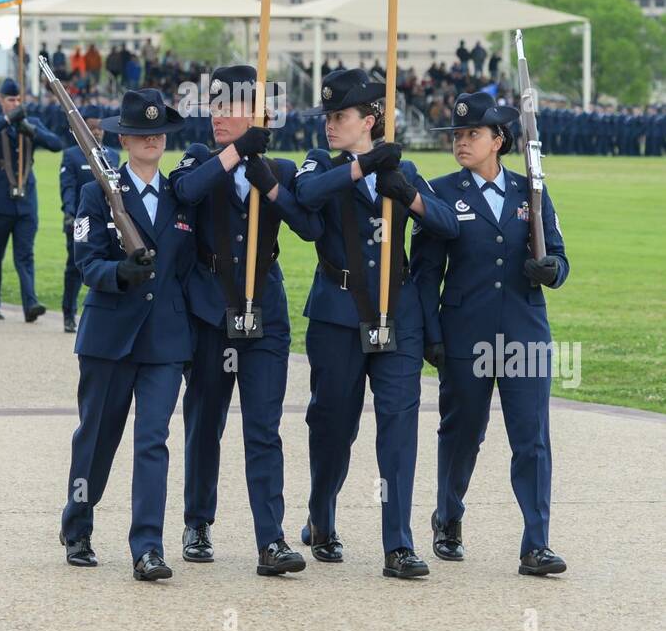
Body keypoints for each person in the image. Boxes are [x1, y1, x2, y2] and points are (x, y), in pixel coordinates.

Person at [294, 69, 459, 577]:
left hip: (398, 314)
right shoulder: (321, 162)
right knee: (332, 426)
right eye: (327, 116)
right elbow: (306, 196)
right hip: (338, 316)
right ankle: (321, 514)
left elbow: (447, 222)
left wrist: (405, 193)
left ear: (369, 119)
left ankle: (399, 543)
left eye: (340, 116)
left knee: (399, 428)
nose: (330, 125)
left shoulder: (401, 166)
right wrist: (363, 166)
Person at [170, 64, 321, 577]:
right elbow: (186, 192)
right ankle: (197, 523)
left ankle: (271, 540)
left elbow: (309, 227)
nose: (217, 115)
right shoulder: (200, 160)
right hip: (212, 311)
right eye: (213, 105)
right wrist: (235, 152)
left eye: (230, 106)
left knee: (263, 427)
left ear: (258, 112)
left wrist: (272, 188)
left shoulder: (277, 168)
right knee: (204, 421)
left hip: (265, 311)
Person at [411, 90, 570, 576]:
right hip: (465, 336)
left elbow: (561, 258)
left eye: (472, 134)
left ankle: (536, 543)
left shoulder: (532, 191)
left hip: (524, 333)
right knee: (463, 434)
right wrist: (432, 336)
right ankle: (448, 517)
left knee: (532, 438)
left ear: (498, 140)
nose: (461, 142)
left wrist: (551, 270)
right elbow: (424, 274)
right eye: (457, 135)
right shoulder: (438, 193)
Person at [60, 89, 194, 580]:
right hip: (110, 336)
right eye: (141, 131)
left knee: (152, 440)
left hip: (164, 339)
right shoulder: (99, 190)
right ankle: (78, 524)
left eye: (158, 130)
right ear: (125, 137)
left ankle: (148, 547)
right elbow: (85, 259)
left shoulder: (181, 192)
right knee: (96, 437)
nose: (151, 138)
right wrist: (121, 272)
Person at [0, 77, 63, 322]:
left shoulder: (30, 121)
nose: (15, 103)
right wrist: (8, 119)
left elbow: (56, 144)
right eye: (10, 99)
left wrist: (31, 130)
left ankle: (30, 303)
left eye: (17, 99)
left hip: (25, 198)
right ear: (1, 101)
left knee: (25, 254)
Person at [59, 117, 119, 333]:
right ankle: (68, 312)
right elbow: (67, 187)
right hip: (80, 220)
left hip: (108, 222)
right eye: (92, 128)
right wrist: (69, 212)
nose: (97, 132)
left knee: (108, 266)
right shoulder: (72, 155)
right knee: (75, 267)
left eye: (99, 128)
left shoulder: (113, 155)